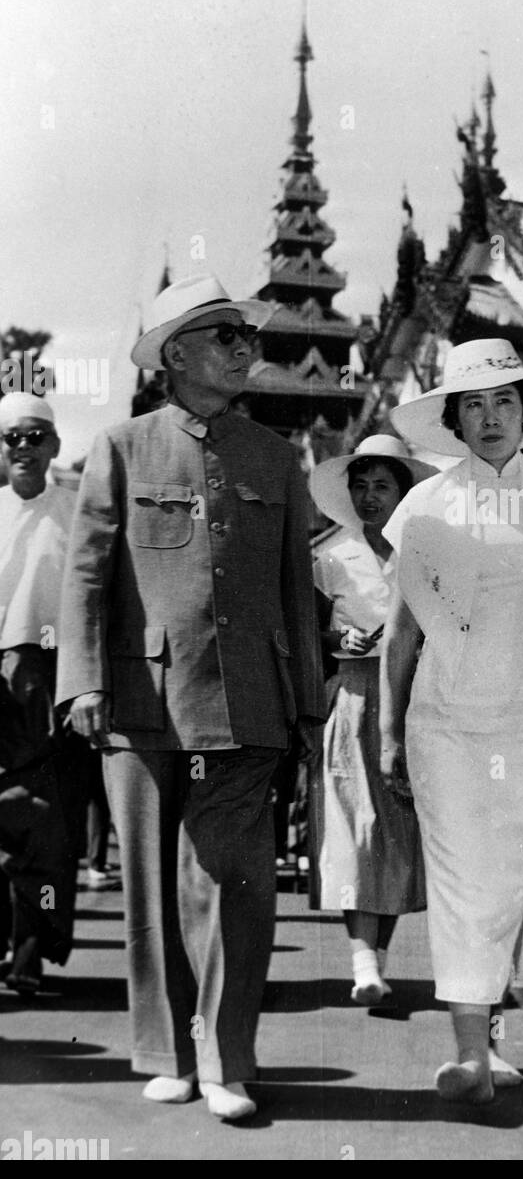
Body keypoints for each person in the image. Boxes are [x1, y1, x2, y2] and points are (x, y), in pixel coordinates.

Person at [56, 273, 325, 1122]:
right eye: (225, 337)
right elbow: (87, 576)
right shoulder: (121, 447)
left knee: (234, 884)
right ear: (176, 355)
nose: (246, 351)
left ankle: (226, 1059)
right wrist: (84, 680)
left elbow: (295, 592)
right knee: (148, 882)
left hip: (249, 703)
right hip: (139, 701)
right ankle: (167, 1051)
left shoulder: (277, 459)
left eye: (249, 338)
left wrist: (307, 705)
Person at [379, 338, 523, 1104]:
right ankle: (469, 1053)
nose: (488, 417)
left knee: (511, 877)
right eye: (472, 404)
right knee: (458, 875)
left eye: (503, 401)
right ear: (453, 418)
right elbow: (401, 631)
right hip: (444, 718)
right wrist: (386, 728)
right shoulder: (424, 506)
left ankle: (494, 1036)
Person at [308, 434, 434, 1005]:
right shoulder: (332, 558)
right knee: (353, 828)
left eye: (381, 486)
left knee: (398, 834)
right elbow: (306, 631)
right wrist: (339, 637)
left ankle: (375, 964)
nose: (368, 497)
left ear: (404, 492)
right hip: (354, 701)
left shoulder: (428, 554)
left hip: (416, 702)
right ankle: (362, 963)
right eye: (359, 486)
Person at [0, 392, 85, 993]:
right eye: (12, 439)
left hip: (53, 677)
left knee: (46, 821)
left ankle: (30, 953)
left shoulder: (80, 512)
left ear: (54, 445)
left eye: (35, 437)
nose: (24, 449)